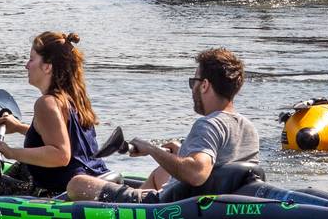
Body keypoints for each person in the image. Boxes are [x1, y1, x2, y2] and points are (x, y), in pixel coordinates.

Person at [67, 48, 258, 203]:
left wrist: (151, 149)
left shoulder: (209, 124)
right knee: (161, 172)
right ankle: (130, 202)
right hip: (213, 198)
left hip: (175, 204)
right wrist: (180, 152)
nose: (192, 88)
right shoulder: (248, 127)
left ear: (205, 85)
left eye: (194, 82)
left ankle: (132, 207)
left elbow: (196, 174)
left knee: (77, 184)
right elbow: (220, 169)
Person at [0, 32, 110, 195]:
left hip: (66, 194)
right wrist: (19, 127)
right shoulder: (75, 99)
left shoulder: (46, 103)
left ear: (47, 66)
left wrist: (10, 152)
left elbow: (61, 155)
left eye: (31, 59)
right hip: (97, 179)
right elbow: (65, 140)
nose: (26, 65)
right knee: (22, 167)